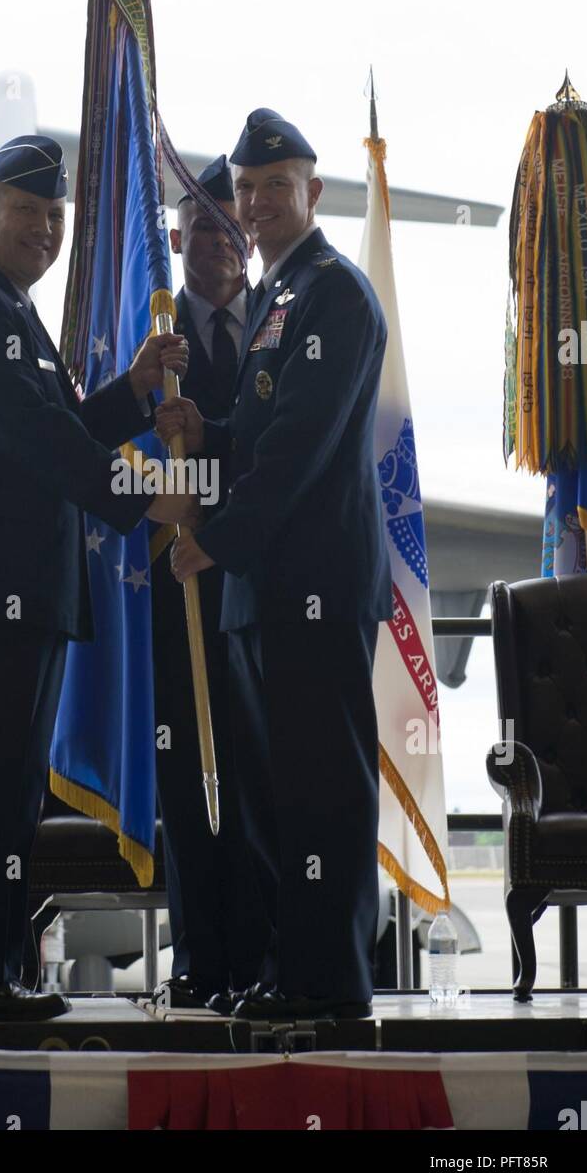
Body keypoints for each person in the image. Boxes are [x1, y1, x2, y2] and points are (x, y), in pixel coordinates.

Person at [0, 134, 194, 1023]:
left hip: (22, 594)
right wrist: (146, 505)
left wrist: (135, 389)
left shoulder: (10, 312)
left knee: (7, 790)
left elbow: (58, 421)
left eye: (53, 216)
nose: (41, 228)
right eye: (24, 212)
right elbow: (36, 440)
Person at [158, 110, 392, 1020]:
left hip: (311, 586)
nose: (253, 205)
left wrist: (215, 538)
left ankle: (328, 980)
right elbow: (255, 434)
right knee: (270, 798)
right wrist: (204, 432)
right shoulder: (276, 299)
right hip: (263, 592)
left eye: (271, 187)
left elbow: (298, 447)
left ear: (312, 192)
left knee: (320, 791)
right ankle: (286, 970)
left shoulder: (333, 292)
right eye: (244, 190)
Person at [151, 156, 269, 1013]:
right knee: (188, 783)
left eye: (229, 229)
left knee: (259, 777)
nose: (215, 245)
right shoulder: (152, 345)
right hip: (176, 592)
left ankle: (262, 958)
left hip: (255, 586)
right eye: (199, 230)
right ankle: (197, 958)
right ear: (176, 240)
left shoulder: (279, 324)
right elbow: (119, 463)